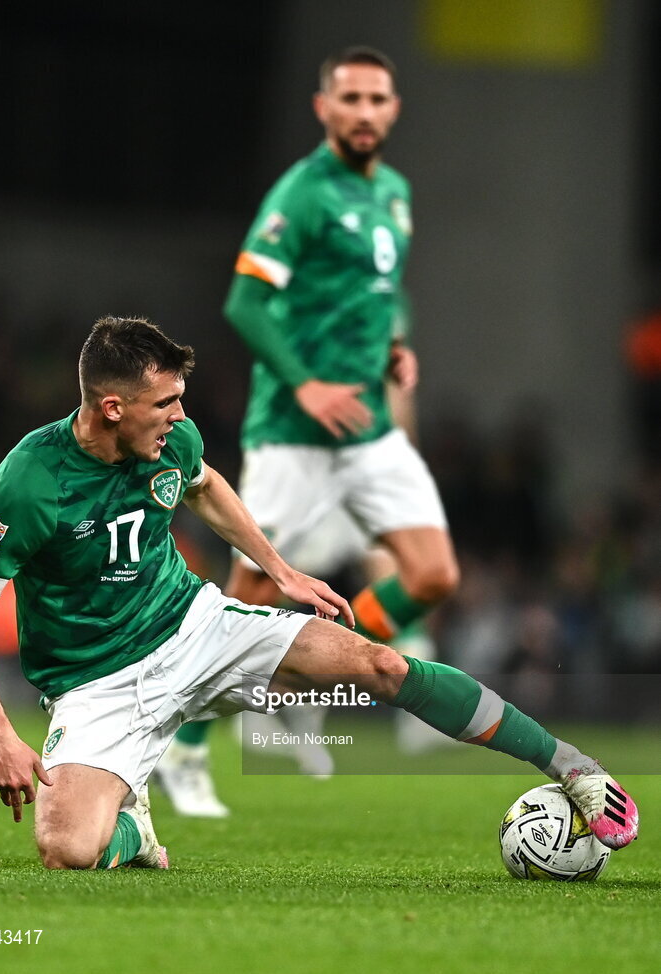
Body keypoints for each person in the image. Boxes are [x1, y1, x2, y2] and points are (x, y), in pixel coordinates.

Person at [0, 316, 638, 870]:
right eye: (166, 402)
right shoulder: (31, 481)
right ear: (112, 407)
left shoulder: (169, 440)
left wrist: (279, 570)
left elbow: (206, 487)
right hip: (95, 683)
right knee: (67, 850)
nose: (181, 416)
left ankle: (570, 764)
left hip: (192, 628)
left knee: (381, 665)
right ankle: (133, 828)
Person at [157, 45, 460, 809]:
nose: (364, 112)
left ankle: (304, 672)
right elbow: (246, 303)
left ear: (394, 109)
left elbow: (372, 295)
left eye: (377, 99)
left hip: (367, 433)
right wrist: (309, 384)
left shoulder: (393, 192)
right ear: (323, 108)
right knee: (251, 600)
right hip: (296, 431)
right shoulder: (303, 191)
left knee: (432, 575)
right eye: (349, 99)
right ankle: (185, 747)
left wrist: (391, 351)